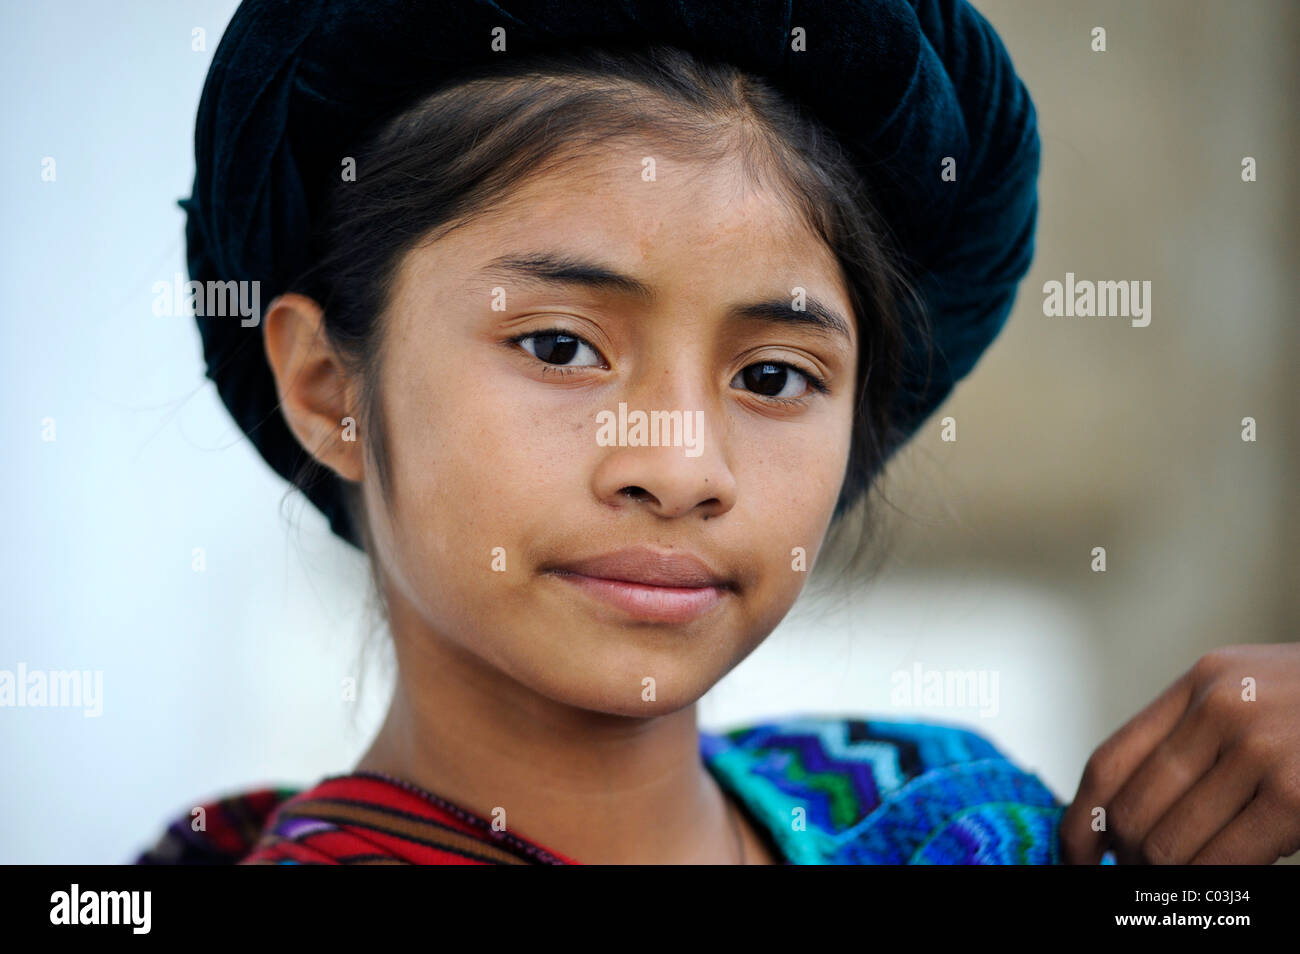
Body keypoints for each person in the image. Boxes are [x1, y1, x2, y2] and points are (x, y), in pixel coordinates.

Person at [135, 0, 1300, 865]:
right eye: (556, 347)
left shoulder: (940, 810)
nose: (681, 466)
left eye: (776, 374)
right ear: (329, 386)